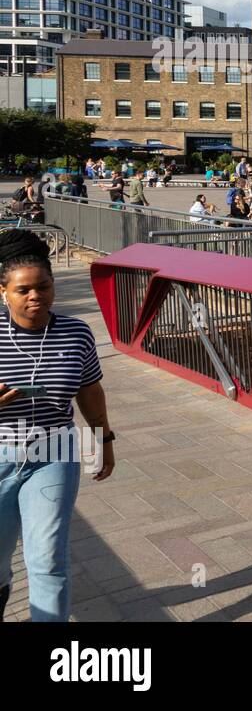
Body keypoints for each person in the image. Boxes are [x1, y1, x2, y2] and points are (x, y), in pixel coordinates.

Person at [0, 230, 115, 622]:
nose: (36, 296)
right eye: (23, 290)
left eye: (44, 287)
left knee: (48, 559)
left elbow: (89, 389)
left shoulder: (76, 333)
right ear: (3, 293)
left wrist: (104, 439)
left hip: (53, 453)